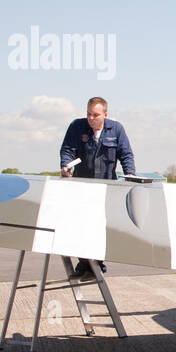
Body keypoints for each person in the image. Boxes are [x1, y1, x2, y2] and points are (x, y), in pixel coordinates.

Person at [59, 97, 136, 279]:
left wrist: (130, 175)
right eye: (89, 114)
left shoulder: (116, 129)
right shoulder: (77, 127)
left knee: (99, 229)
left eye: (96, 115)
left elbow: (126, 154)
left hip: (105, 189)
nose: (91, 118)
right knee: (79, 226)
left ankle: (97, 265)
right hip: (81, 187)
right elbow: (67, 149)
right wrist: (65, 165)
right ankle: (84, 264)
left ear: (105, 114)